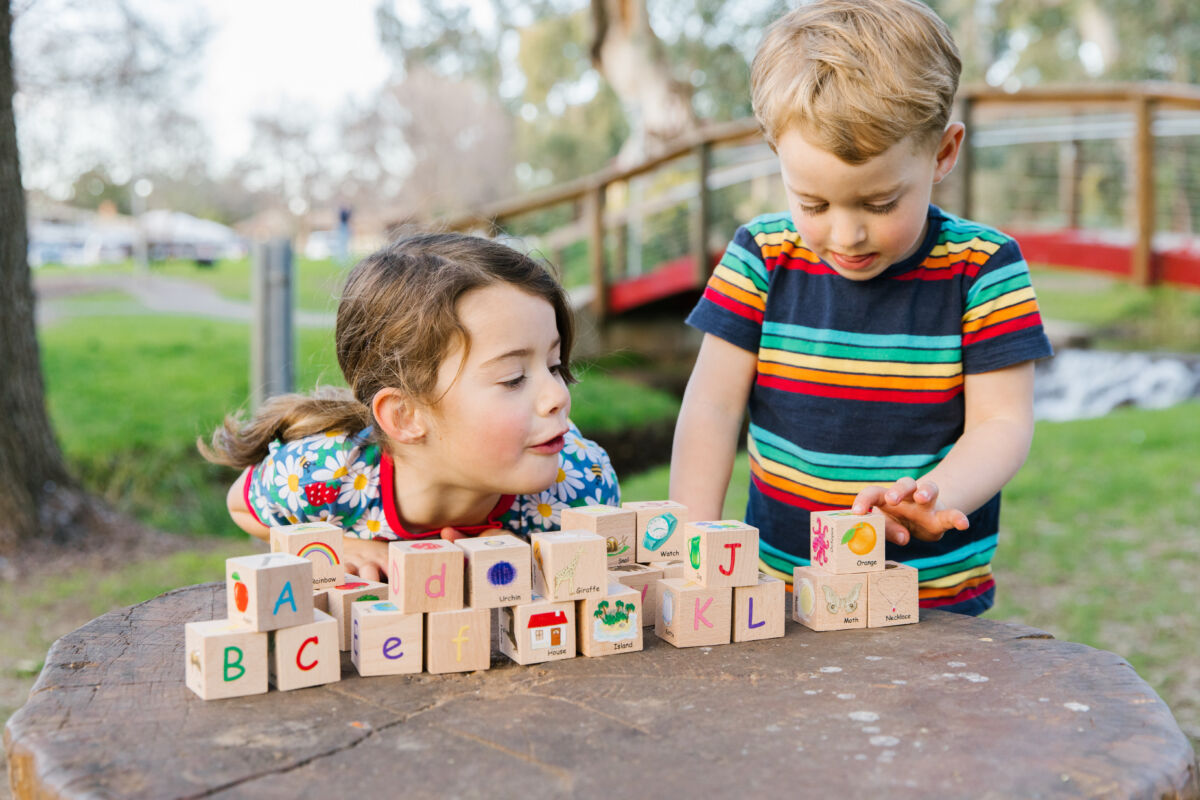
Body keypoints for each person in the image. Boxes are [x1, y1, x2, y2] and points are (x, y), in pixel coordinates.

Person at [669, 0, 1053, 615]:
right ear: (777, 156)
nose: (846, 235)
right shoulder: (760, 258)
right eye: (814, 204)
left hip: (931, 604)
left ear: (943, 153)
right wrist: (689, 548)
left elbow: (1001, 424)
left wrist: (931, 494)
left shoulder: (982, 269)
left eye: (878, 204)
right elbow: (712, 407)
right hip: (779, 598)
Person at [201, 232, 619, 581]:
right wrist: (343, 546)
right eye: (513, 378)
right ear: (405, 416)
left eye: (554, 365)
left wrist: (528, 569)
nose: (559, 396)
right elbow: (243, 504)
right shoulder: (323, 473)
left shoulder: (581, 485)